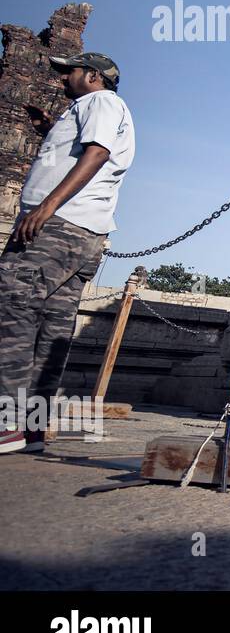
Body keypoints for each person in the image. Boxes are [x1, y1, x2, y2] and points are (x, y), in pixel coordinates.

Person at [0, 53, 134, 454]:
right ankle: (32, 428)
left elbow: (97, 154)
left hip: (59, 225)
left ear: (93, 76)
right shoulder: (90, 108)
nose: (63, 78)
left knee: (12, 308)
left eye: (70, 71)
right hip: (84, 230)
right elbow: (78, 154)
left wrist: (47, 207)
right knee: (52, 326)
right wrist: (47, 130)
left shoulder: (101, 102)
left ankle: (6, 422)